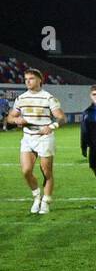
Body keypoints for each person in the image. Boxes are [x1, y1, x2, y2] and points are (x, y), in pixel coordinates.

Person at [6, 67, 63, 214]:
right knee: (26, 171)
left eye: (31, 79)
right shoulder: (21, 98)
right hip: (27, 138)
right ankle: (36, 196)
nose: (27, 82)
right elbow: (10, 117)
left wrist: (51, 126)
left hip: (44, 138)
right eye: (26, 79)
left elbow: (61, 117)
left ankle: (46, 201)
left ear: (39, 80)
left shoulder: (48, 97)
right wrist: (16, 119)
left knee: (46, 172)